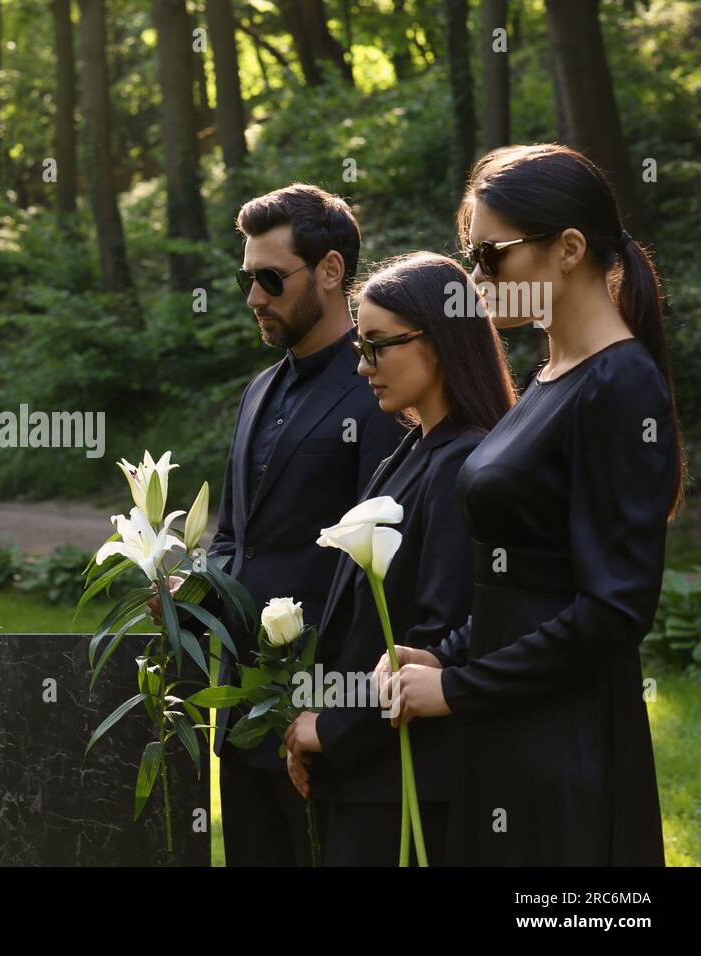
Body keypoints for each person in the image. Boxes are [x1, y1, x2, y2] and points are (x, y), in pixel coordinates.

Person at [375, 143, 683, 865]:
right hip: (508, 731)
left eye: (492, 256)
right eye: (470, 257)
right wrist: (441, 655)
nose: (476, 279)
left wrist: (457, 686)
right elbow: (526, 582)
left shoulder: (620, 384)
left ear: (569, 248)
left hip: (564, 749)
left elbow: (612, 610)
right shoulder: (547, 378)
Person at [281, 252, 516, 865]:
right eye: (361, 346)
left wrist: (330, 730)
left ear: (439, 340)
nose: (363, 366)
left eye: (379, 346)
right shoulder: (412, 450)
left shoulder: (464, 463)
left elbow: (435, 643)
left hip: (410, 783)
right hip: (372, 774)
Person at [198, 184, 406, 865]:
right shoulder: (258, 390)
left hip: (326, 718)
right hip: (241, 717)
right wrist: (192, 593)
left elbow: (378, 569)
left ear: (331, 271)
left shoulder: (379, 389)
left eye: (269, 278)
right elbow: (235, 536)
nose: (254, 297)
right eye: (245, 278)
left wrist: (335, 718)